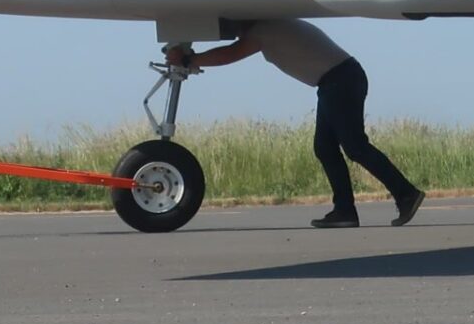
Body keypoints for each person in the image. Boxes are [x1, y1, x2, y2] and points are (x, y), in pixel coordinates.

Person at [170, 19, 424, 228]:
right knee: (325, 148)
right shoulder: (276, 25)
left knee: (355, 146)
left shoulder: (264, 30)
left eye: (232, 27)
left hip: (340, 80)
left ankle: (405, 194)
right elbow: (232, 50)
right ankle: (345, 211)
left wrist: (187, 60)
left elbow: (229, 54)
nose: (233, 32)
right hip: (335, 80)